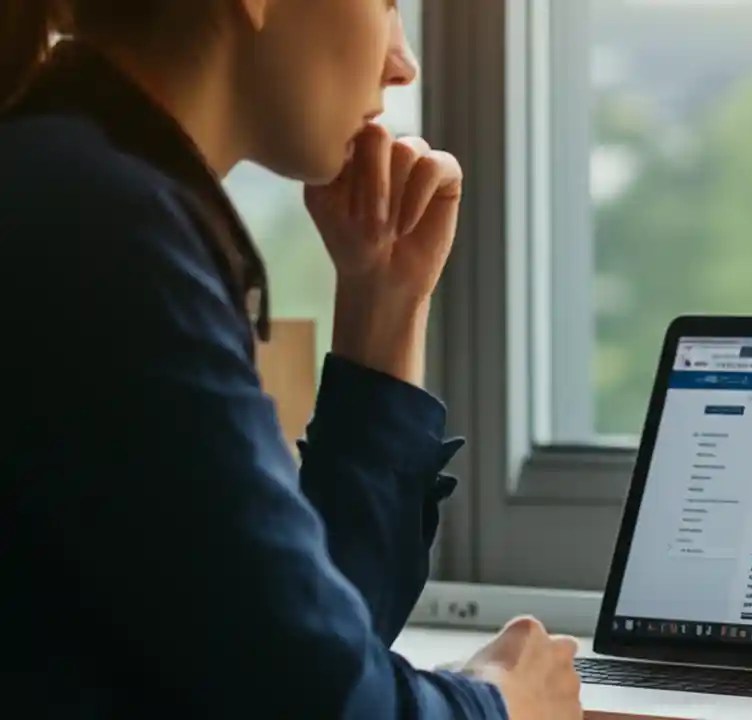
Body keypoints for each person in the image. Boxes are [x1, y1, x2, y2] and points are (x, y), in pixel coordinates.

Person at [0, 1, 581, 718]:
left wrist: (384, 303)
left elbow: (285, 641)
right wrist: (505, 704)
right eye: (388, 3)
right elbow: (309, 699)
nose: (403, 63)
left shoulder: (79, 191)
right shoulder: (100, 230)